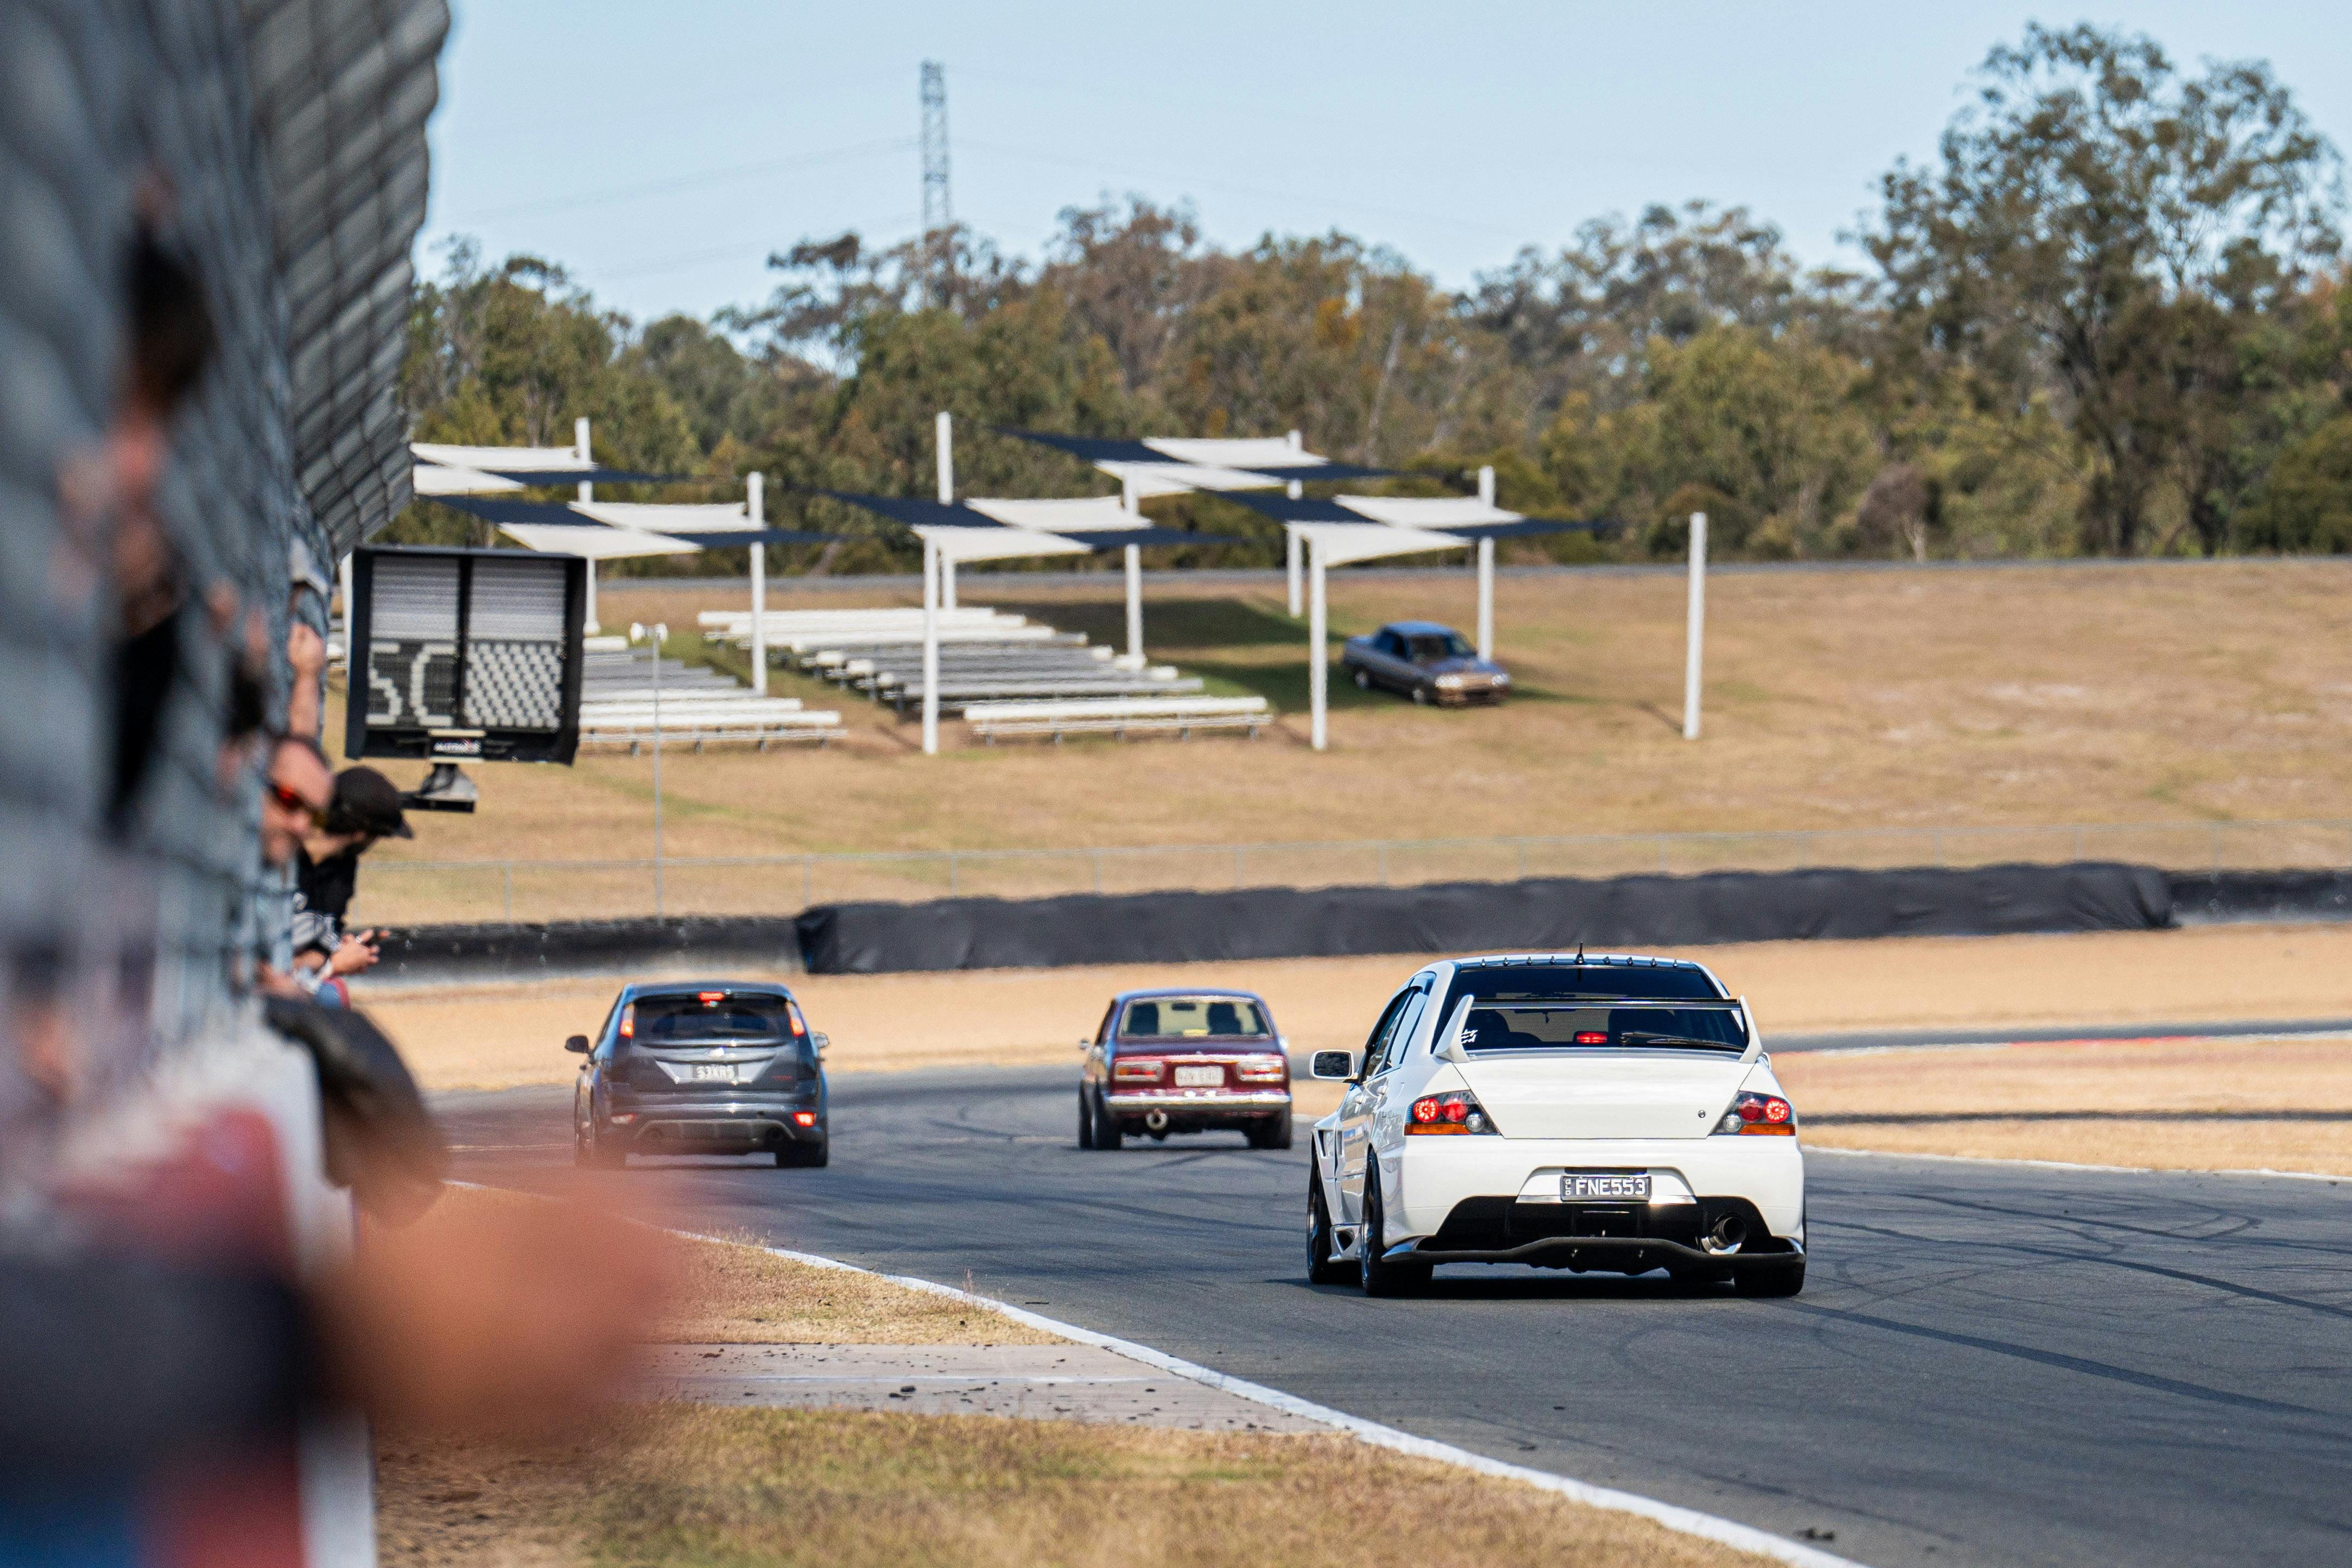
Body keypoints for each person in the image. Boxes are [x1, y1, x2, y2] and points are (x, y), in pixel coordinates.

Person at [290, 766, 410, 994]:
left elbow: (321, 948)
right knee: (332, 995)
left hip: (292, 987)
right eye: (378, 835)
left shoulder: (342, 871)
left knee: (334, 995)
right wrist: (333, 965)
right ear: (361, 833)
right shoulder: (278, 858)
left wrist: (340, 952)